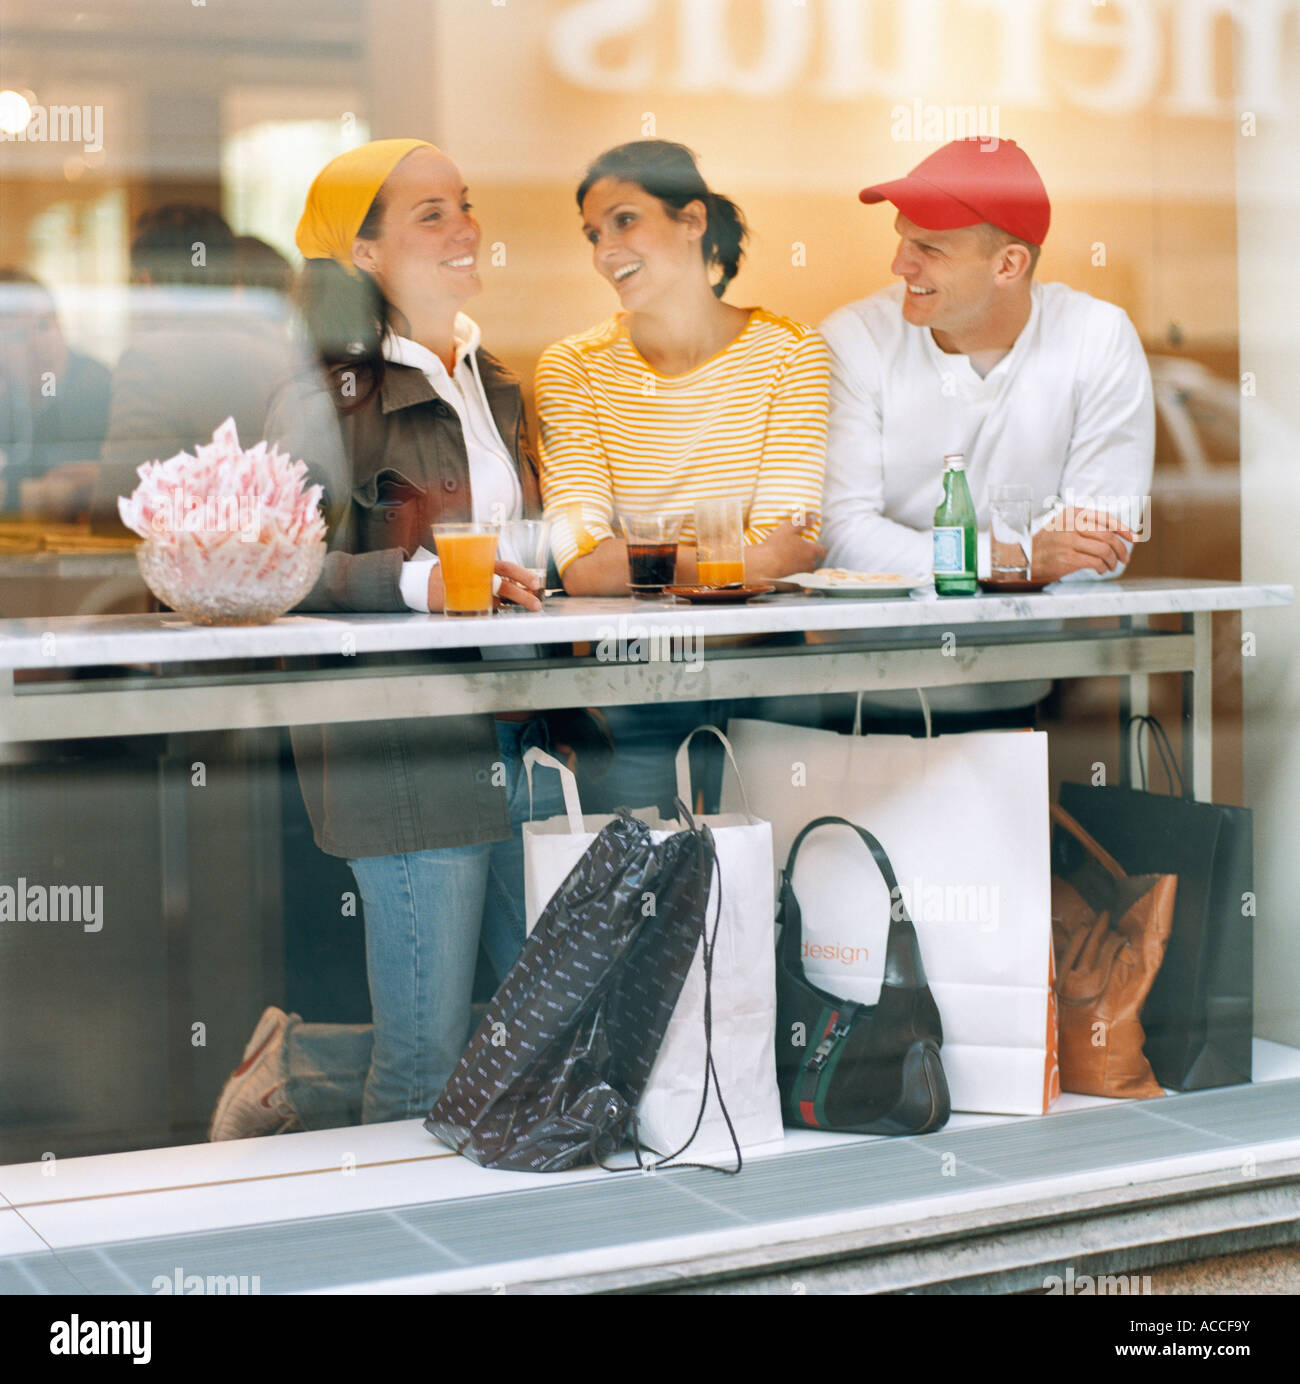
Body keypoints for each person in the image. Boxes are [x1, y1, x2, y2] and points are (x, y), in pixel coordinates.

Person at [208, 138, 585, 1139]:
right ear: (364, 251)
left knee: (523, 1032)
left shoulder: (493, 381)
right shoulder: (329, 393)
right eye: (430, 214)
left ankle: (301, 1073)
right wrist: (415, 581)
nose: (466, 228)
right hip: (406, 751)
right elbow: (274, 567)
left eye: (464, 204)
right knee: (423, 1063)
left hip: (517, 734)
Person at [818, 137, 1155, 727]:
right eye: (901, 238)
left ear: (1008, 265)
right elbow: (841, 534)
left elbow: (1102, 542)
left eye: (928, 248)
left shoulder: (1097, 336)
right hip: (861, 687)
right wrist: (1014, 559)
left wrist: (1000, 560)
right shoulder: (856, 338)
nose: (900, 264)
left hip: (1021, 687)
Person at [535, 139, 829, 812]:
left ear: (693, 220)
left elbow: (794, 548)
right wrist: (746, 558)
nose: (606, 248)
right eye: (593, 233)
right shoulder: (572, 367)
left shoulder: (791, 352)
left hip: (769, 673)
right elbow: (582, 566)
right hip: (631, 687)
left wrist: (640, 558)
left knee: (784, 896)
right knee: (637, 906)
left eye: (625, 220)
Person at [91, 205, 307, 529]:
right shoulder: (291, 354)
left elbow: (121, 507)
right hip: (277, 557)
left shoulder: (150, 359)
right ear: (233, 275)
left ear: (146, 281)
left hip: (197, 565)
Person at [0, 269, 111, 515]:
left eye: (44, 325)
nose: (37, 344)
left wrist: (107, 480)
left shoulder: (102, 389)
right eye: (18, 336)